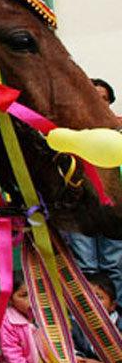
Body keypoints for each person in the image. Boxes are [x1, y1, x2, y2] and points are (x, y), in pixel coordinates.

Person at [67, 80, 122, 307]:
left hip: (115, 214)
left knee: (114, 267)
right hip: (82, 213)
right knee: (85, 266)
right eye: (92, 96)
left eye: (104, 99)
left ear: (109, 104)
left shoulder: (119, 135)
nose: (98, 102)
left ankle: (116, 319)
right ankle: (89, 322)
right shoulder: (70, 134)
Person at [70, 272, 122, 363]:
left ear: (113, 306)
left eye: (99, 297)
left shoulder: (119, 328)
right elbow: (72, 348)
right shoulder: (73, 325)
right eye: (86, 298)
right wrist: (76, 359)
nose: (92, 303)